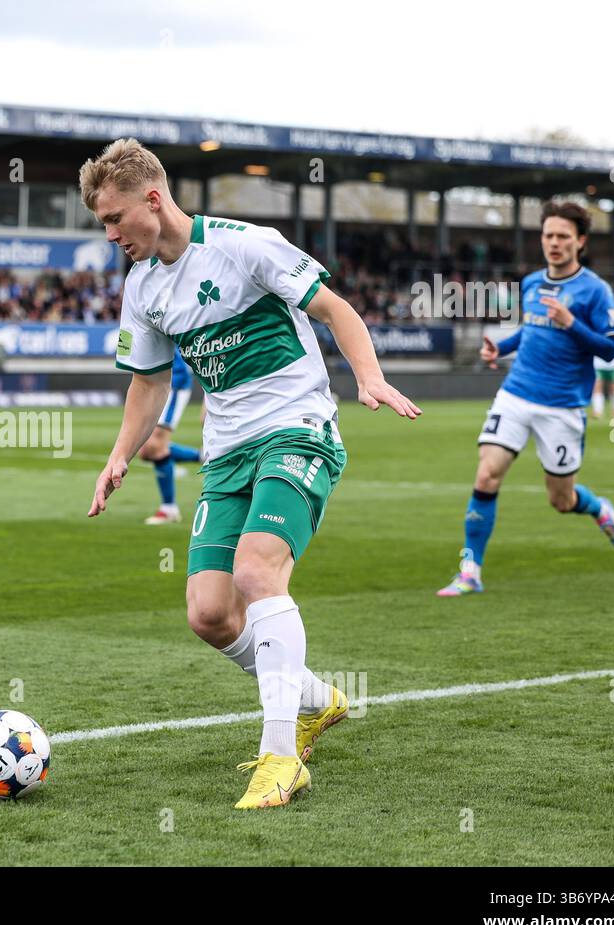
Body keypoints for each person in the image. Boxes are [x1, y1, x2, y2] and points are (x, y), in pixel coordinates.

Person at [81, 139, 421, 809]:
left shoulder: (245, 244)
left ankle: (281, 757)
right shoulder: (143, 286)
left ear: (153, 198)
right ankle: (318, 699)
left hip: (297, 431)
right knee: (209, 612)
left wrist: (369, 376)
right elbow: (150, 382)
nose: (111, 235)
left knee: (256, 573)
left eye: (115, 219)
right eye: (104, 224)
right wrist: (121, 452)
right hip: (227, 453)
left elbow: (336, 310)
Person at [438, 201, 614, 597]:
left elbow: (609, 350)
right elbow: (532, 331)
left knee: (561, 500)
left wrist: (571, 322)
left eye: (563, 236)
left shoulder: (595, 290)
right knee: (486, 473)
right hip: (516, 393)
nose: (554, 243)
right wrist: (501, 348)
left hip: (562, 406)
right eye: (548, 235)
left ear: (580, 241)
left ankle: (598, 509)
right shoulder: (531, 283)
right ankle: (470, 569)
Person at [140, 345, 204, 524]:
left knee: (155, 445)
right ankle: (203, 456)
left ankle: (169, 508)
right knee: (146, 450)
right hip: (153, 381)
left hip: (171, 381)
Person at [590, 327, 614, 419]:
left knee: (613, 386)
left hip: (612, 363)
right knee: (597, 385)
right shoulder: (595, 326)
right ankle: (598, 411)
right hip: (598, 363)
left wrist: (610, 347)